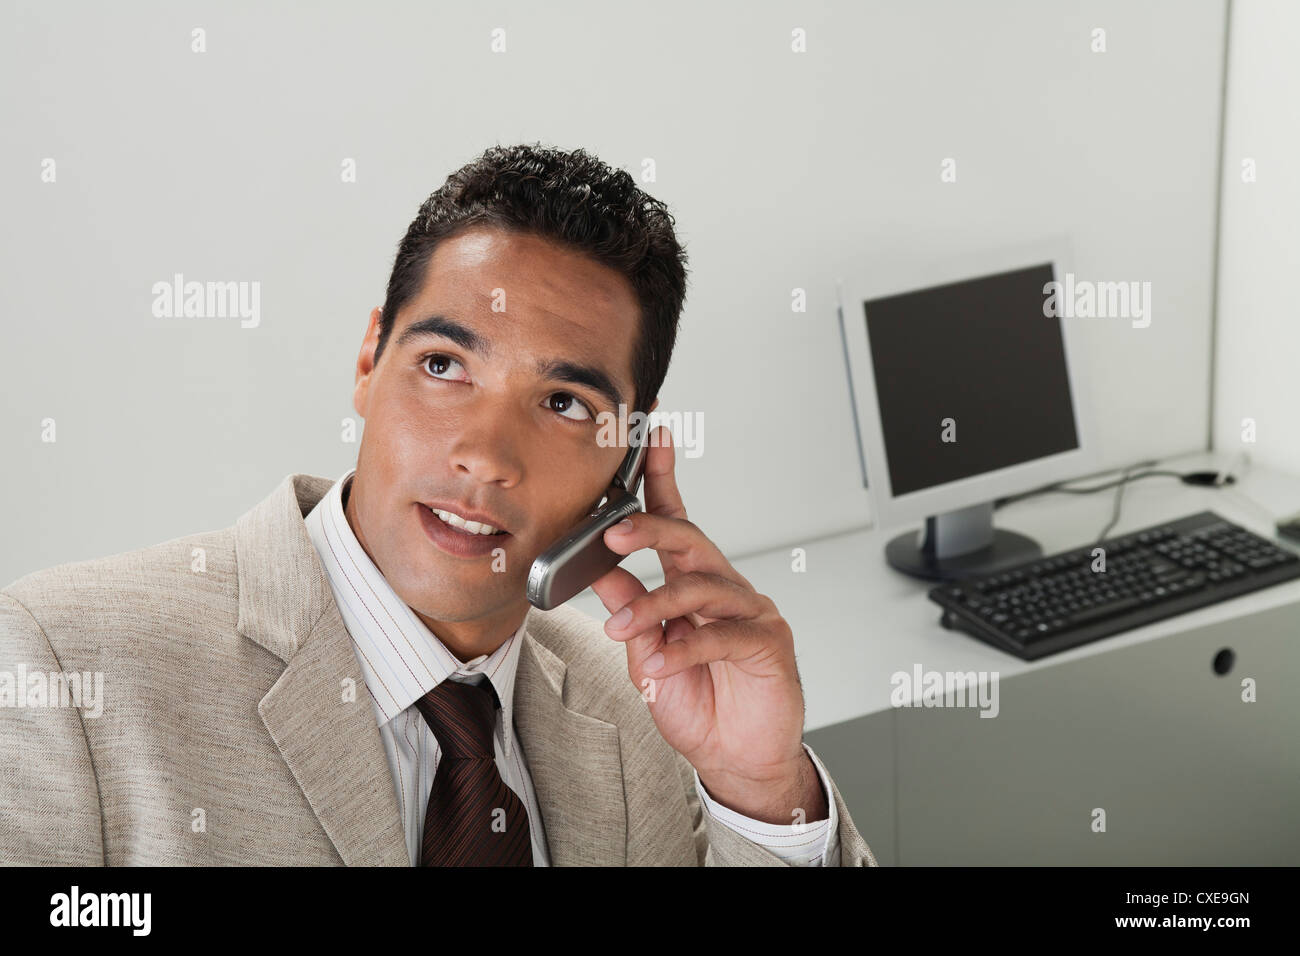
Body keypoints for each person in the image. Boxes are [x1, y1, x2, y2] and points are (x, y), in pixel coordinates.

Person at [0, 143, 877, 866]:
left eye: (565, 404)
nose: (485, 456)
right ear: (368, 361)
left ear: (631, 457)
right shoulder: (65, 666)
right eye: (445, 366)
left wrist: (761, 794)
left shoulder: (647, 703)